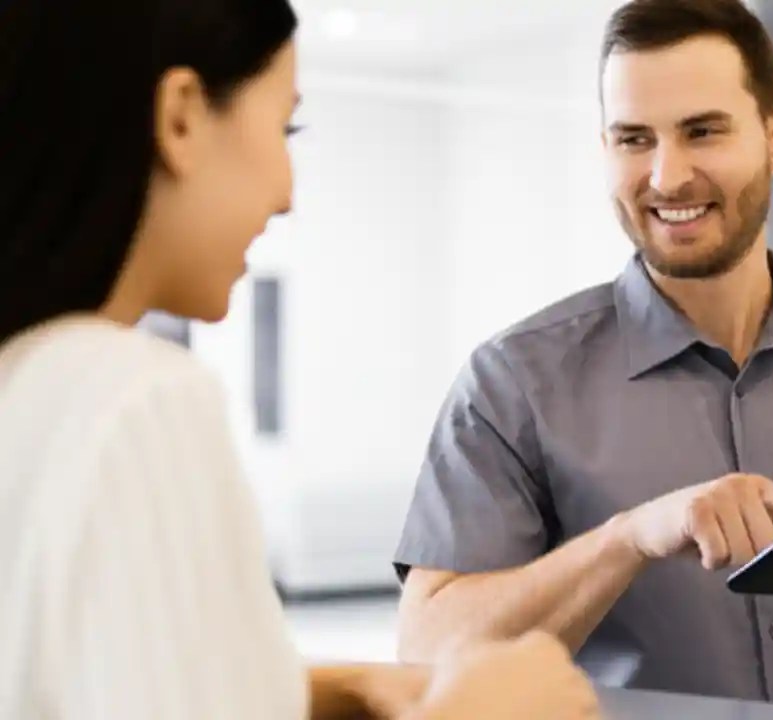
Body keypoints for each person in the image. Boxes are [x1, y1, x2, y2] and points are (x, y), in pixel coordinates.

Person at [393, 0, 773, 718]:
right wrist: (630, 538)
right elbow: (429, 656)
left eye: (702, 131)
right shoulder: (514, 383)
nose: (665, 176)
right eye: (633, 139)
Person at [0, 1, 601, 719]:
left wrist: (302, 692)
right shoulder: (132, 396)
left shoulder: (29, 383)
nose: (286, 194)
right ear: (183, 116)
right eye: (284, 127)